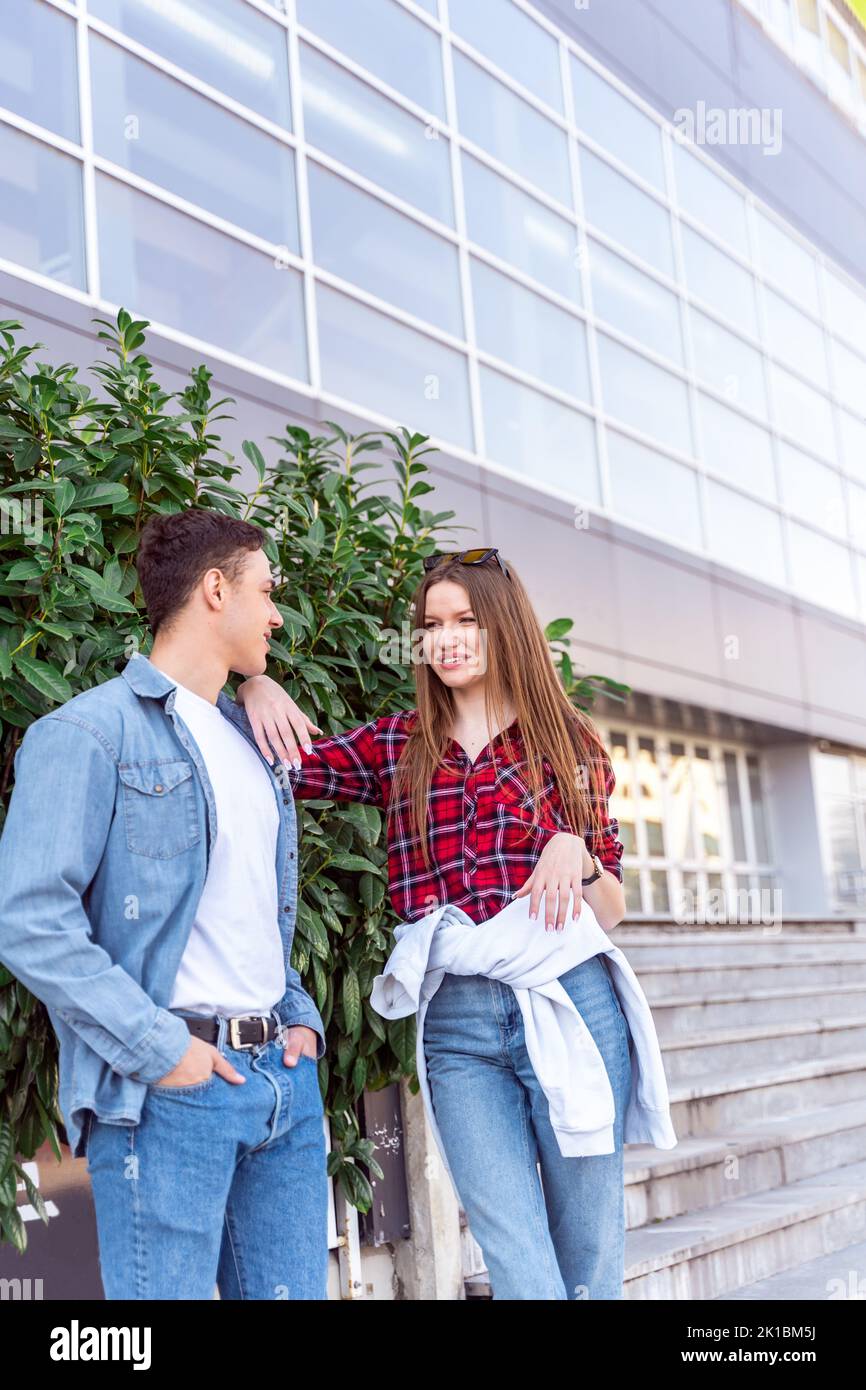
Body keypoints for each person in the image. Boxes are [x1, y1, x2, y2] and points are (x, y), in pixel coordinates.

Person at [237, 546, 630, 1300]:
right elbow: (281, 764)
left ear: (506, 629)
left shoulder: (570, 744)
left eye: (467, 621)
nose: (446, 638)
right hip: (458, 1026)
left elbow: (614, 907)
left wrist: (575, 852)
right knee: (520, 1264)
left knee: (589, 1263)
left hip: (572, 1005)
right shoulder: (397, 746)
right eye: (431, 624)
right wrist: (254, 683)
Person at [0, 508, 329, 1300]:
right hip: (171, 1093)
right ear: (215, 589)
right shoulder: (85, 733)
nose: (278, 613)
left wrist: (299, 1012)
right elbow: (28, 921)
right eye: (265, 591)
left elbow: (252, 906)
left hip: (282, 1085)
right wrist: (160, 1050)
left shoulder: (253, 741)